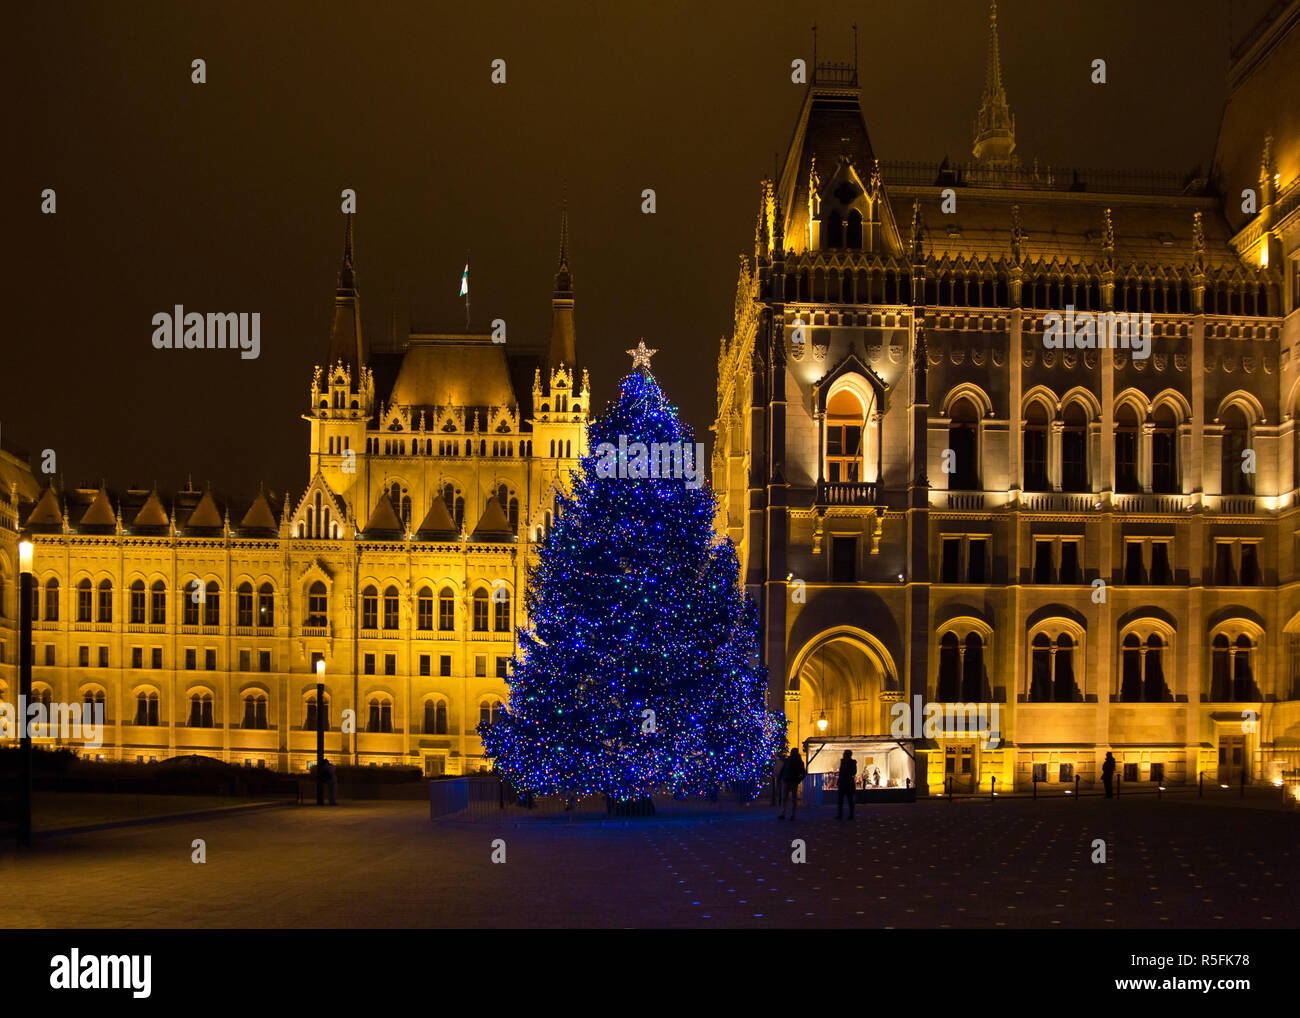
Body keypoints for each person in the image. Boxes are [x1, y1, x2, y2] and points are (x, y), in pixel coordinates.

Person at [777, 747, 805, 820]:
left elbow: (783, 770)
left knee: (789, 799)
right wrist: (798, 780)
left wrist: (798, 780)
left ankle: (788, 814)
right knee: (790, 799)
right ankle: (790, 814)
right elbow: (783, 769)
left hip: (790, 781)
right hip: (789, 780)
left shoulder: (795, 761)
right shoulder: (794, 761)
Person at [836, 749, 857, 820]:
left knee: (850, 800)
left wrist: (847, 771)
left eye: (845, 754)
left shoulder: (852, 762)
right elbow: (841, 772)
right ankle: (840, 815)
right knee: (840, 800)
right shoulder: (842, 761)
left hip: (848, 783)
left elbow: (854, 772)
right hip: (842, 783)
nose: (843, 755)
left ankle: (851, 815)